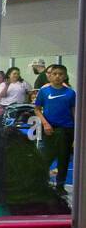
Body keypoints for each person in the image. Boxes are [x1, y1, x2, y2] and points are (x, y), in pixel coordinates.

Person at [33, 64, 75, 194]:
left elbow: (74, 112)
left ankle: (60, 186)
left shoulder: (71, 93)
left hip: (67, 130)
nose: (57, 76)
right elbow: (37, 109)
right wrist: (45, 124)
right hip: (49, 130)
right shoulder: (44, 92)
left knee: (64, 158)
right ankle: (40, 184)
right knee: (46, 158)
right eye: (55, 74)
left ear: (65, 76)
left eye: (61, 74)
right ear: (49, 76)